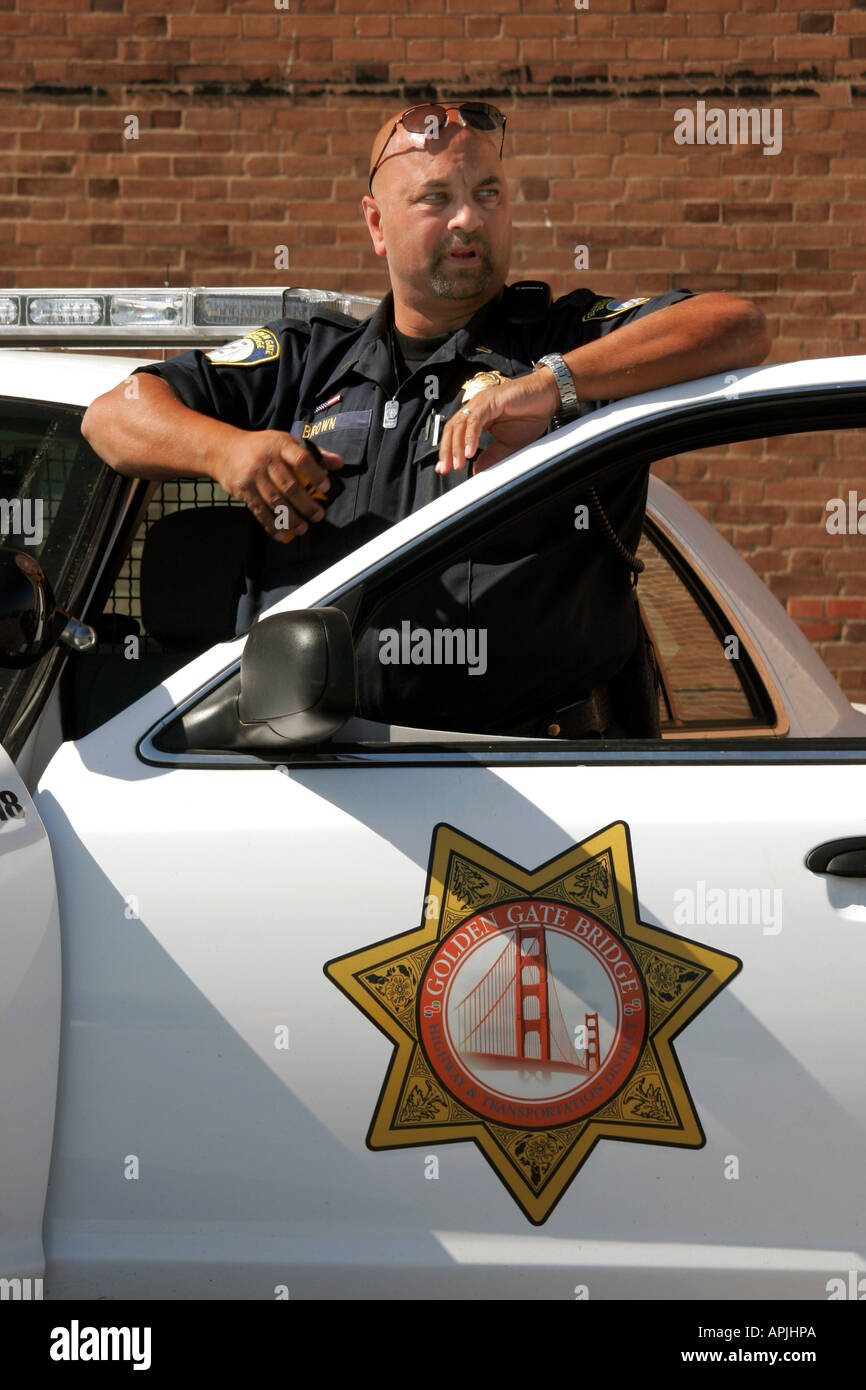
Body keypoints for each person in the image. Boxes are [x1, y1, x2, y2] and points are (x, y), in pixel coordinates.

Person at [82, 100, 770, 737]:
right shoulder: (307, 361)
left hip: (542, 784)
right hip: (316, 778)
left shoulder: (564, 338)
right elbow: (113, 417)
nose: (469, 219)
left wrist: (553, 384)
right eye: (437, 199)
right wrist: (226, 453)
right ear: (378, 225)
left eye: (488, 196)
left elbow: (737, 327)